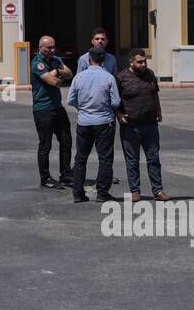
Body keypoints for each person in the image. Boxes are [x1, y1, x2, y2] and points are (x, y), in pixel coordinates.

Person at [67, 46, 121, 203]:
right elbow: (116, 101)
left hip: (84, 122)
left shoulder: (79, 77)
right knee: (105, 158)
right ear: (103, 60)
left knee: (80, 158)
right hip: (104, 122)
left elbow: (71, 99)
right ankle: (102, 193)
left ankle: (78, 193)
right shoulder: (108, 77)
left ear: (89, 59)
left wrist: (83, 108)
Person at [116, 47, 167, 202]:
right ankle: (135, 191)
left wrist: (158, 110)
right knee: (132, 161)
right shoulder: (121, 77)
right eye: (139, 62)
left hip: (150, 125)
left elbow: (154, 94)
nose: (143, 64)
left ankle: (158, 191)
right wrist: (118, 115)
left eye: (144, 61)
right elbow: (113, 100)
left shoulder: (150, 74)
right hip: (131, 126)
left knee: (153, 159)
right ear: (131, 62)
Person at [30, 35, 74, 190]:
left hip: (57, 108)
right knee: (45, 145)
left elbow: (70, 74)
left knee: (66, 141)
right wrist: (57, 72)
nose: (52, 50)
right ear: (40, 48)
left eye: (53, 47)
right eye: (49, 47)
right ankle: (45, 178)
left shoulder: (56, 58)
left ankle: (66, 174)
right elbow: (53, 82)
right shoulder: (37, 63)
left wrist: (57, 73)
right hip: (43, 110)